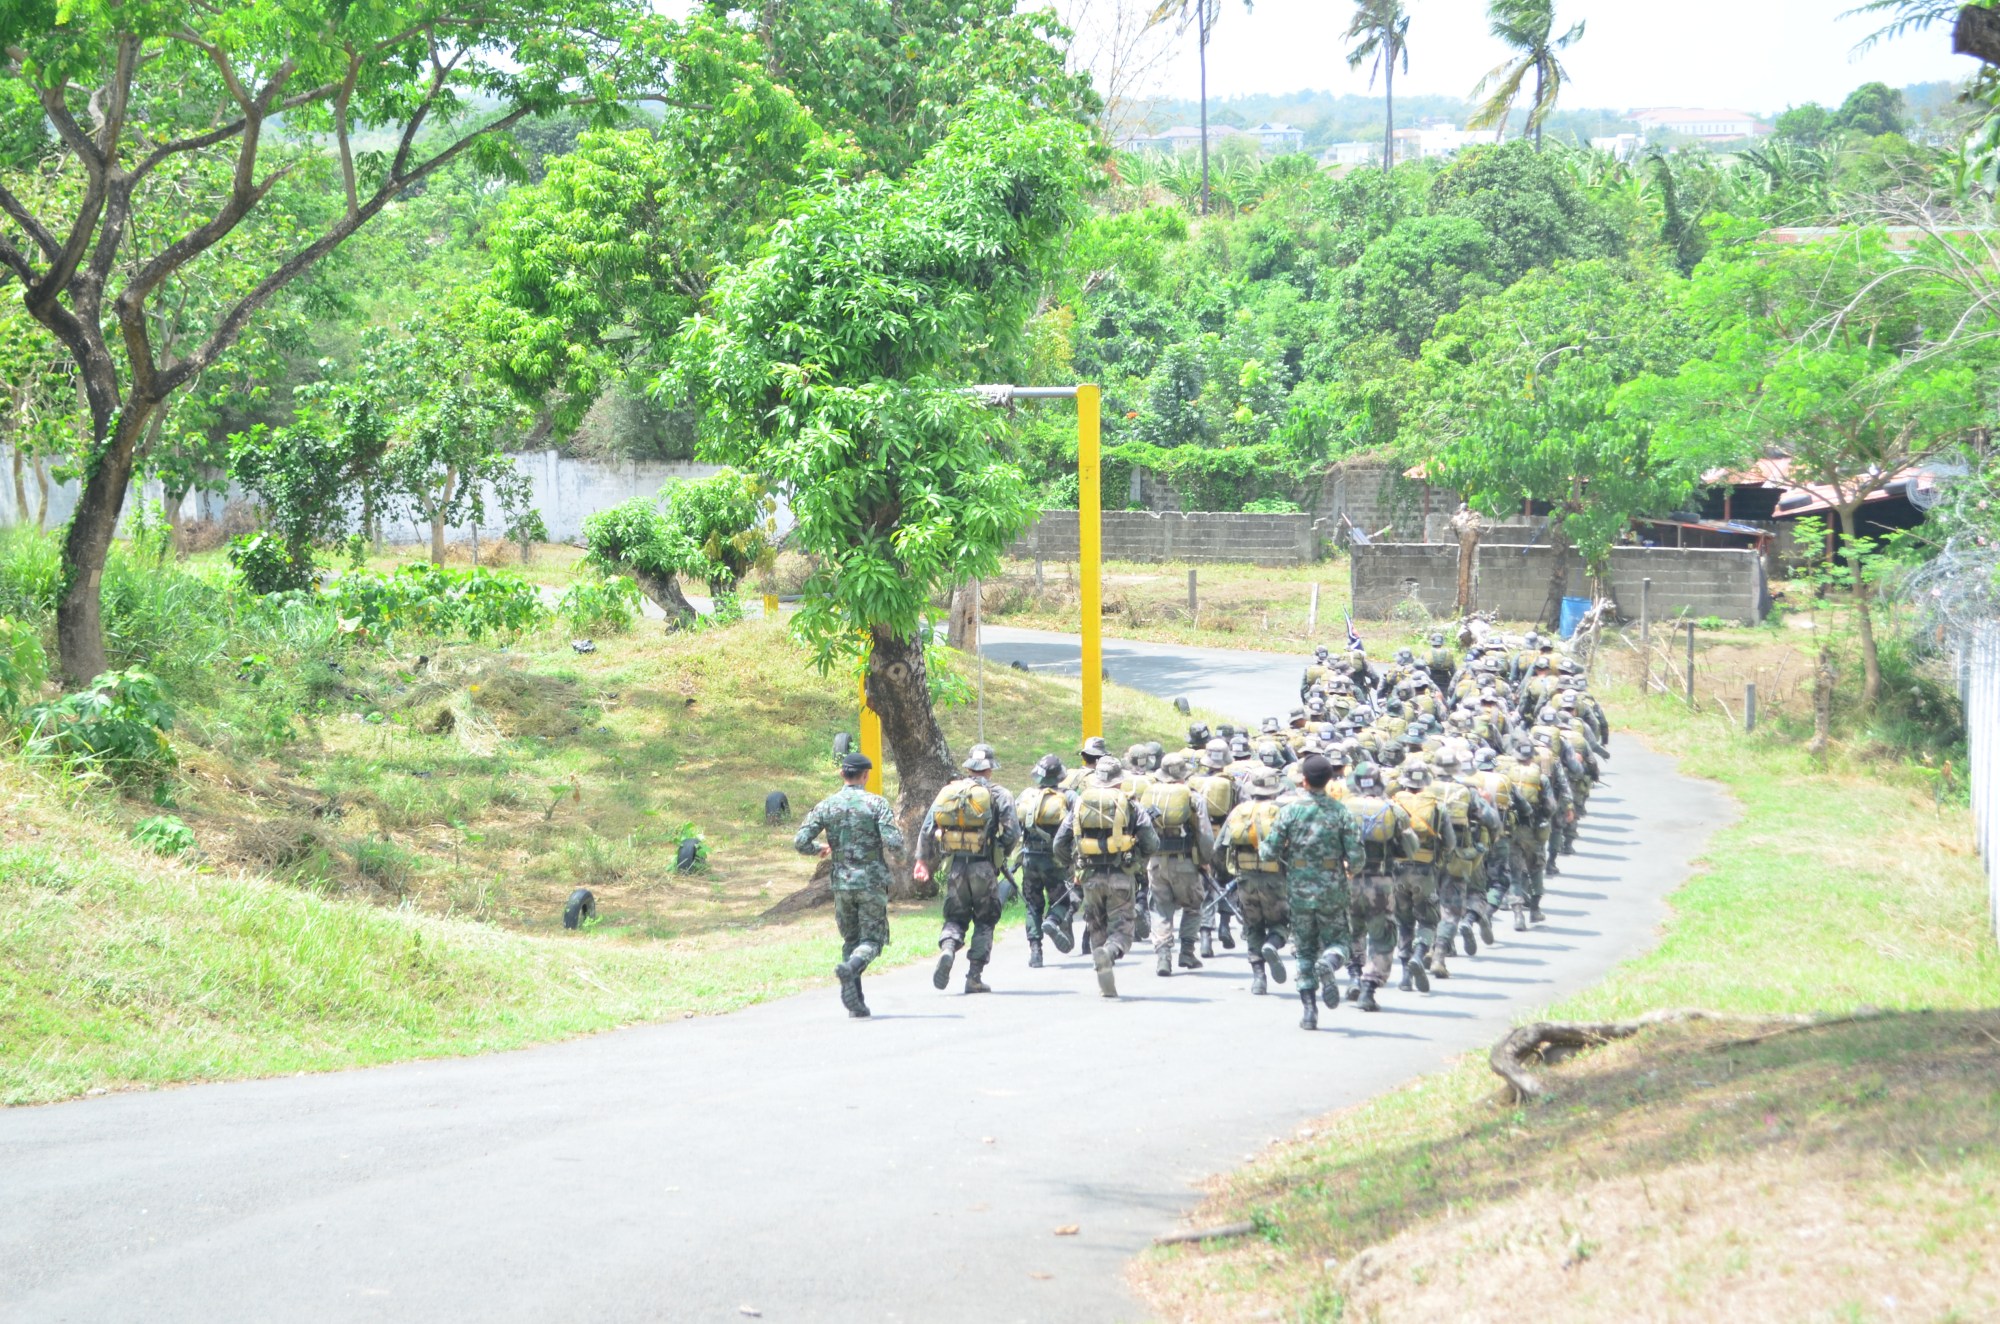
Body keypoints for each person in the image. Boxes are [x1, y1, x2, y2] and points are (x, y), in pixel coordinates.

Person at [793, 752, 905, 1019]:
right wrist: (901, 861)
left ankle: (857, 1001)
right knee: (872, 941)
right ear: (866, 775)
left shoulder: (826, 806)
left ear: (842, 774)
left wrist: (819, 848)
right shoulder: (876, 804)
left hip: (841, 883)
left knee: (851, 939)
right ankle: (853, 967)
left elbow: (800, 841)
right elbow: (894, 841)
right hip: (871, 882)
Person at [1258, 753, 1365, 1030]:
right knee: (1340, 941)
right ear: (1329, 781)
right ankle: (1330, 962)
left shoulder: (1289, 812)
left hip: (1299, 891)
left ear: (1303, 781)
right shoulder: (1340, 812)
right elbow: (1357, 857)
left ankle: (1309, 1011)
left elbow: (1268, 852)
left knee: (1304, 950)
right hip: (1333, 890)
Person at [915, 748, 1021, 995]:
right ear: (990, 769)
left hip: (955, 867)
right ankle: (974, 977)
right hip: (985, 868)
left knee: (955, 917)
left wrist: (921, 859)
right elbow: (1012, 833)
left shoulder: (950, 793)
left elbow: (928, 827)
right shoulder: (1000, 794)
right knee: (985, 920)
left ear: (969, 768)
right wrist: (999, 854)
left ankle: (949, 949)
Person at [1054, 756, 1161, 998]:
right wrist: (1138, 863)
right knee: (1123, 929)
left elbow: (1059, 843)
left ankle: (1102, 963)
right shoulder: (1131, 806)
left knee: (1096, 926)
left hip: (1090, 877)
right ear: (1118, 781)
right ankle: (1110, 954)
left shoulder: (1080, 805)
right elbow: (1152, 843)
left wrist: (1074, 866)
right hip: (1122, 876)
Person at [1339, 763, 1415, 1012]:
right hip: (1380, 881)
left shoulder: (1342, 808)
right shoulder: (1393, 810)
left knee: (1352, 931)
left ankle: (1352, 976)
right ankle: (1368, 989)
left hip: (1348, 879)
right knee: (1382, 936)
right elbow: (1409, 848)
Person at [1140, 752, 1216, 977]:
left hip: (1156, 863)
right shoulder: (1193, 798)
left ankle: (1163, 955)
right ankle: (1187, 953)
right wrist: (1204, 860)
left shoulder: (1148, 796)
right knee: (1193, 906)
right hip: (1185, 863)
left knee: (1161, 908)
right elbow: (1204, 834)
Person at [1216, 768, 1290, 996]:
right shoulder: (1283, 811)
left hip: (1245, 879)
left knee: (1252, 926)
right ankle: (1273, 945)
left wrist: (1227, 873)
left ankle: (1259, 977)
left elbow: (1219, 848)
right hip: (1276, 879)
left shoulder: (1239, 811)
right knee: (1282, 923)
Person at [1014, 753, 1076, 966]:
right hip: (1056, 860)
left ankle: (1035, 952)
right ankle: (1052, 921)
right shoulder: (1069, 796)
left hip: (1029, 859)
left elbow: (1015, 825)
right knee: (1063, 901)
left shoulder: (1026, 795)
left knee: (1032, 904)